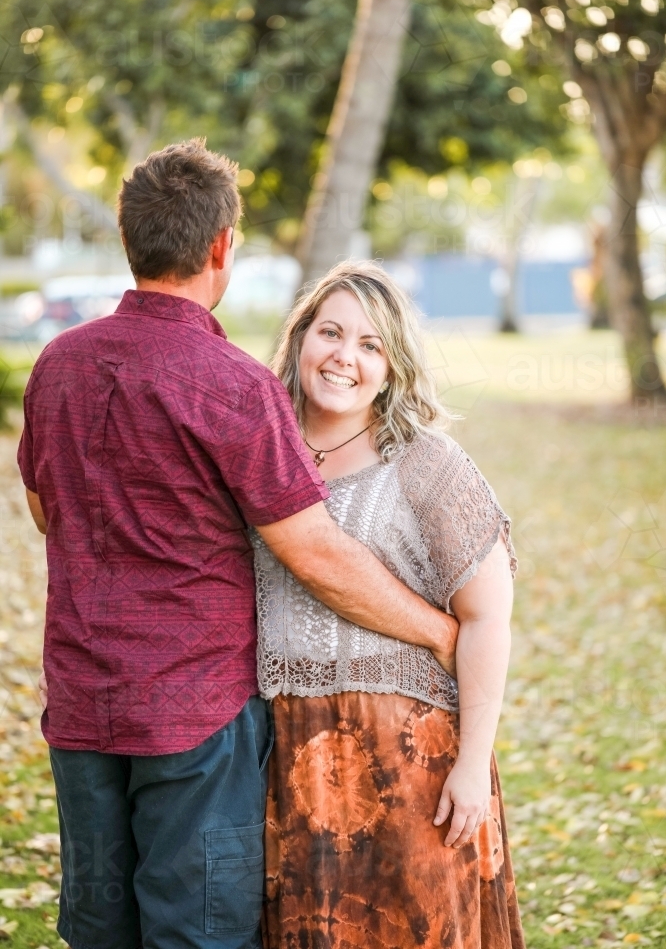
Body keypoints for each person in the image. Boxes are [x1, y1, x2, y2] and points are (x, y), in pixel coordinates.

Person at [21, 140, 459, 949]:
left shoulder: (57, 366)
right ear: (222, 246)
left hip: (82, 703)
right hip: (197, 716)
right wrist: (439, 631)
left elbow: (49, 510)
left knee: (97, 930)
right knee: (200, 933)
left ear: (130, 238)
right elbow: (314, 550)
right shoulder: (232, 382)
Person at [254, 262, 525, 948]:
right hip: (286, 753)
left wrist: (470, 768)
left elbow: (489, 616)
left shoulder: (426, 464)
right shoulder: (260, 453)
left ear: (392, 364)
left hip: (413, 758)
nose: (344, 357)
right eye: (331, 333)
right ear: (299, 340)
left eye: (370, 345)